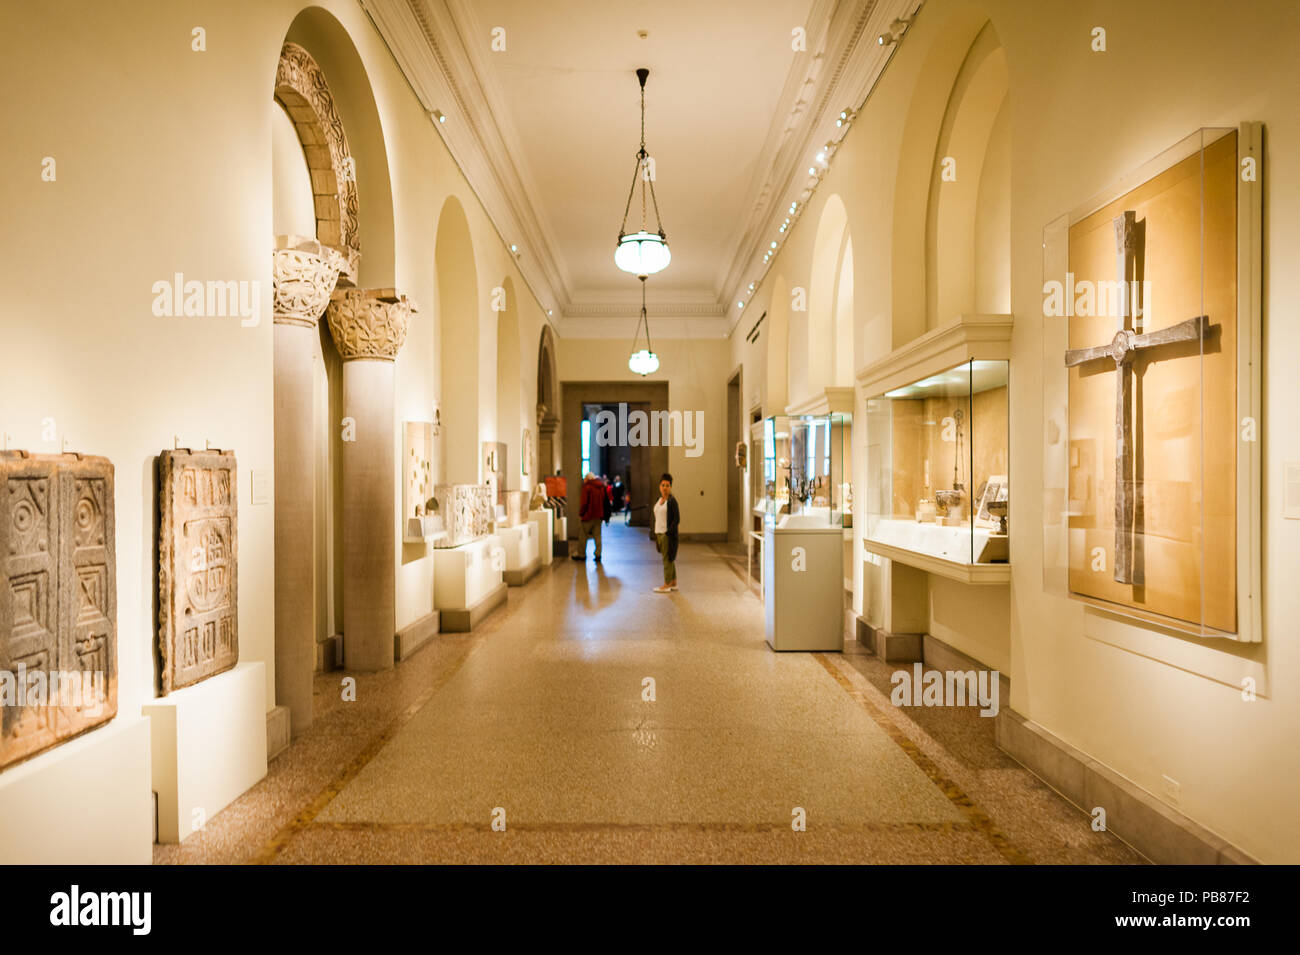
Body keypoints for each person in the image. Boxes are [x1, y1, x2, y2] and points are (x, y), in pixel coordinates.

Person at [652, 472, 679, 593]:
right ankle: (673, 582)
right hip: (659, 533)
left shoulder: (672, 501)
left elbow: (676, 519)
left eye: (667, 485)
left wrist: (668, 533)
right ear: (659, 486)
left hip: (666, 534)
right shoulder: (659, 500)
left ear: (670, 487)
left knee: (666, 560)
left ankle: (666, 584)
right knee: (669, 559)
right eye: (663, 485)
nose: (665, 488)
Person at [574, 472, 606, 562]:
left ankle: (581, 554)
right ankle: (598, 554)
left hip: (588, 515)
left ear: (587, 479)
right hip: (599, 515)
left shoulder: (587, 487)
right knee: (598, 535)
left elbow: (584, 503)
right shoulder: (601, 487)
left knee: (583, 535)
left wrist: (581, 513)